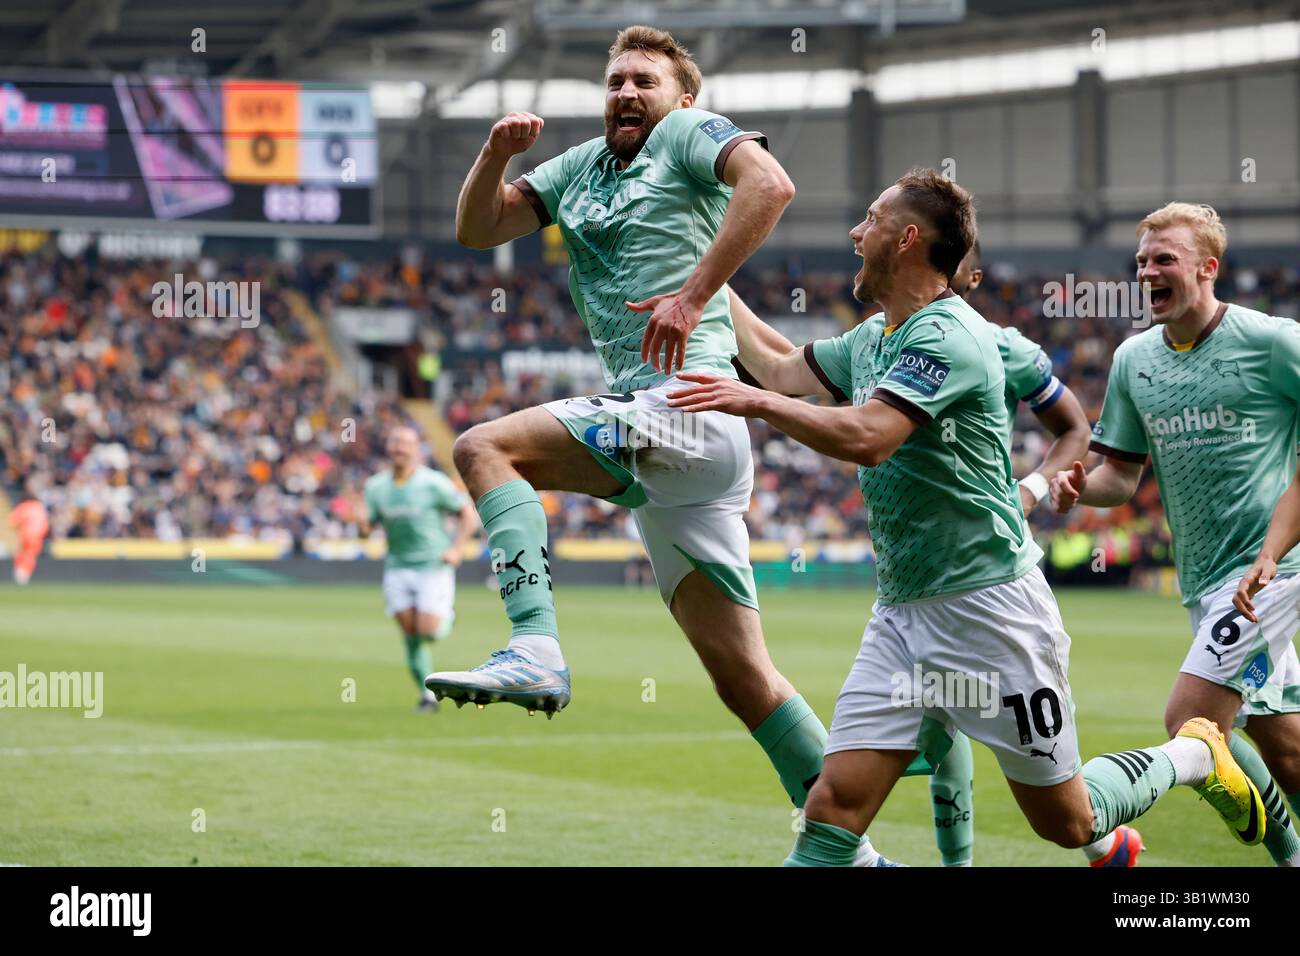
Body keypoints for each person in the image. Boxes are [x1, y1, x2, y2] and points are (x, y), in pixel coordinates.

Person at [667, 170, 1263, 866]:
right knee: (832, 811)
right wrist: (703, 269)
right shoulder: (869, 339)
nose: (856, 234)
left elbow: (868, 435)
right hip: (901, 618)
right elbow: (773, 365)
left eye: (869, 219)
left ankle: (1194, 754)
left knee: (1070, 822)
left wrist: (756, 404)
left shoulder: (951, 337)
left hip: (992, 616)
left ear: (907, 238)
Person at [1052, 202, 1300, 865]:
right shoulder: (1135, 359)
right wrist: (1076, 488)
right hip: (1204, 578)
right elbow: (1120, 476)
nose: (1147, 271)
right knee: (1284, 746)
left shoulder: (1274, 341)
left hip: (1272, 570)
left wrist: (1272, 553)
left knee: (1190, 721)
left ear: (1208, 268)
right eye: (1141, 262)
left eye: (1165, 259)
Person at [357, 427, 477, 712]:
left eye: (406, 444)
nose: (400, 448)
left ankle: (448, 615)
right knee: (409, 633)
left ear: (416, 450)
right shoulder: (375, 487)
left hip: (432, 565)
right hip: (397, 567)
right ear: (388, 448)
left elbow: (467, 515)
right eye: (395, 442)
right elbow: (366, 529)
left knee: (428, 631)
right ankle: (426, 696)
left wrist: (456, 548)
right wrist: (360, 523)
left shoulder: (433, 483)